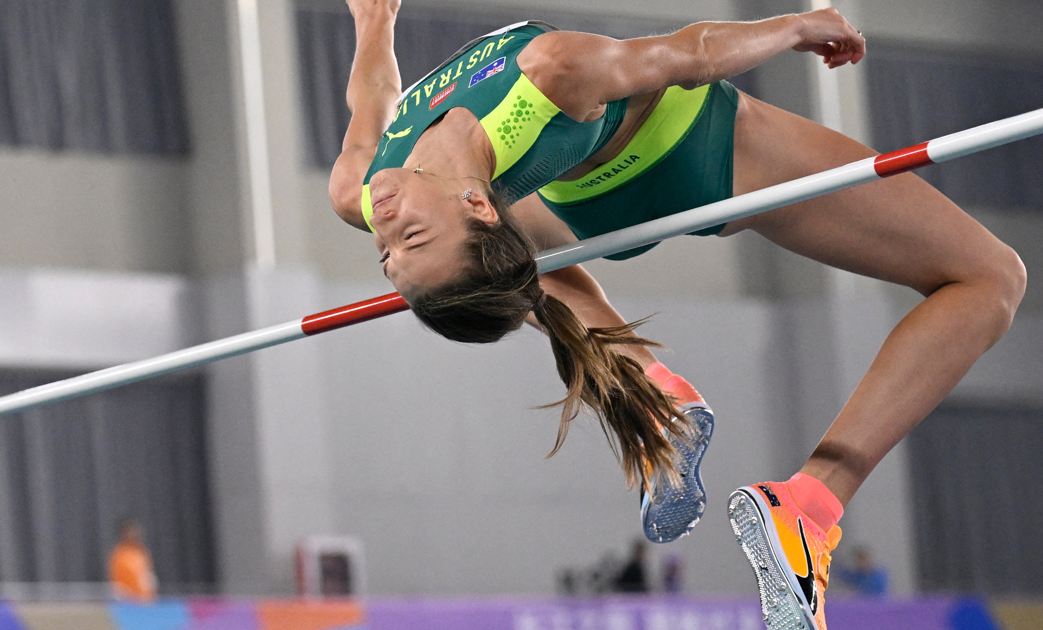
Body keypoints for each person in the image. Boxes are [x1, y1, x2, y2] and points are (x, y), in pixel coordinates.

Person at [330, 3, 1026, 629]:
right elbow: (691, 54)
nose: (386, 226)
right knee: (991, 277)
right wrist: (798, 27)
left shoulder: (360, 192)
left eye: (389, 254)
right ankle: (810, 508)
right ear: (474, 206)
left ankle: (658, 394)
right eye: (406, 239)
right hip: (705, 155)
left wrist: (374, 24)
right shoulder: (548, 73)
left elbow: (372, 101)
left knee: (503, 265)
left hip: (582, 201)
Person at [107, 520, 157, 603]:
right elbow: (118, 585)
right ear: (123, 534)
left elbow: (148, 575)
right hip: (129, 603)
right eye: (130, 531)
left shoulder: (141, 553)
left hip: (147, 600)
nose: (134, 534)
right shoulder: (118, 555)